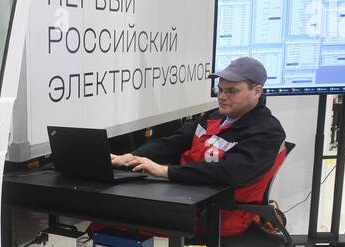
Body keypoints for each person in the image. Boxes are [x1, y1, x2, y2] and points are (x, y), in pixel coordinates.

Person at [111, 56, 286, 236]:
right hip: (187, 194)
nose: (222, 97)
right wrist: (132, 157)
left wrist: (166, 171)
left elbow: (230, 172)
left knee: (121, 215)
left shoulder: (267, 132)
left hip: (219, 212)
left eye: (232, 91)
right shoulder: (213, 116)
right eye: (220, 90)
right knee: (117, 207)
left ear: (257, 91)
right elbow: (173, 143)